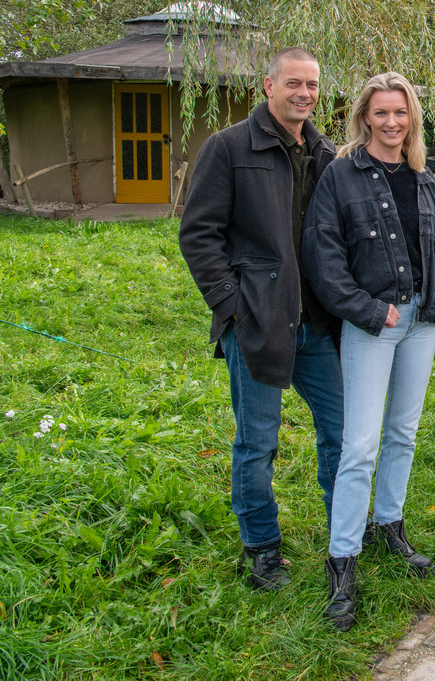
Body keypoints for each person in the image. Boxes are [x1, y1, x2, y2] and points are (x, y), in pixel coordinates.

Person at [301, 72, 435, 632]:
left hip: (422, 321)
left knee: (403, 432)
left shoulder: (424, 178)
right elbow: (323, 259)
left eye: (401, 113)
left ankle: (390, 525)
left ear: (412, 118)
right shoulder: (340, 176)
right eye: (382, 113)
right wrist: (372, 311)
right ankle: (342, 559)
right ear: (364, 117)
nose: (392, 123)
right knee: (360, 444)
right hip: (373, 326)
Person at [179, 46, 344, 591]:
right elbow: (198, 234)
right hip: (257, 323)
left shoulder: (323, 152)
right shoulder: (228, 148)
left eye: (313, 86)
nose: (305, 94)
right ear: (268, 87)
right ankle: (260, 548)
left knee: (343, 432)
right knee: (257, 443)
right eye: (294, 83)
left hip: (316, 324)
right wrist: (231, 304)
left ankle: (343, 533)